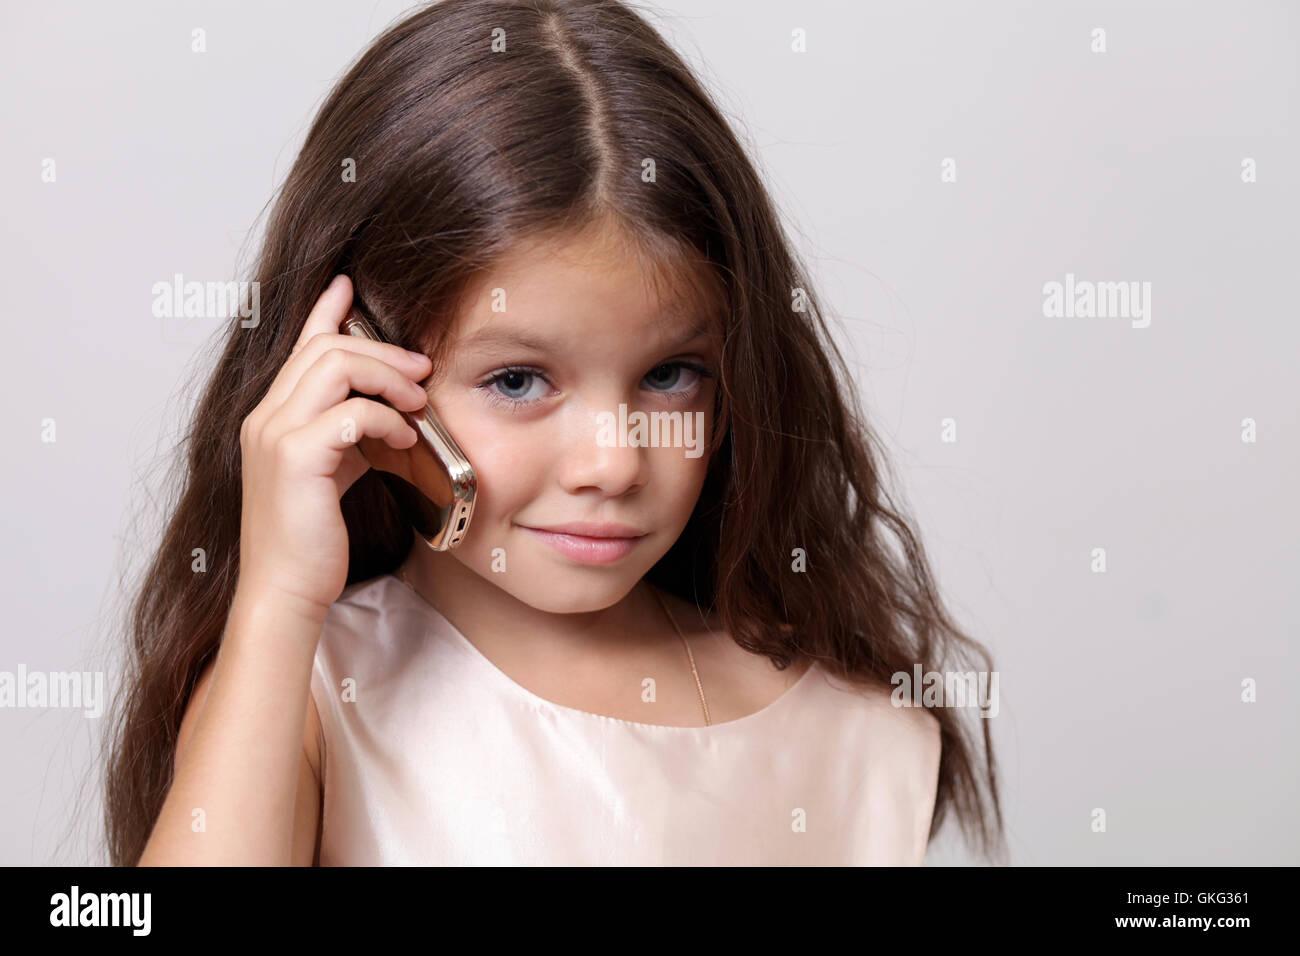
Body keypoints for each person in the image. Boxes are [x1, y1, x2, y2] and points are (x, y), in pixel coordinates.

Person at [104, 0, 1004, 866]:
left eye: (669, 374)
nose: (612, 462)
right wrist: (275, 599)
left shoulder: (853, 736)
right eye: (518, 380)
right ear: (361, 372)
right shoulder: (305, 693)